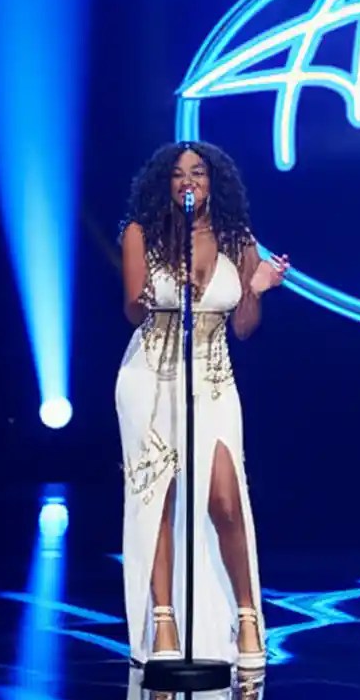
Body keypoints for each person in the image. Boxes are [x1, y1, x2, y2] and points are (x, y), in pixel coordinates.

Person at [116, 141, 288, 669]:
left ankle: (247, 616)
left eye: (198, 172)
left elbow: (243, 328)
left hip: (213, 379)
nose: (188, 181)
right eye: (177, 174)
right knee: (157, 501)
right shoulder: (141, 234)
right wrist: (167, 291)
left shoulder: (240, 241)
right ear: (164, 184)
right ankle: (163, 619)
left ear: (215, 182)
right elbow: (130, 310)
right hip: (150, 376)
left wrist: (255, 290)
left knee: (225, 499)